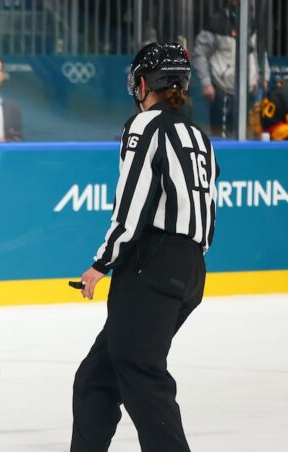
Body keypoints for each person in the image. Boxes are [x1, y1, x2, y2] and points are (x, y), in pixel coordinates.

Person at [71, 42, 218, 452]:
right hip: (188, 270)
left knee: (140, 372)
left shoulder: (145, 126)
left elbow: (132, 203)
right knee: (97, 377)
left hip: (150, 266)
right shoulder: (199, 138)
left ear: (141, 83)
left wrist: (102, 262)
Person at [191, 0, 270, 138]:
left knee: (248, 136)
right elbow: (199, 54)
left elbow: (259, 52)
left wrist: (264, 75)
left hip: (249, 92)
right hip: (223, 91)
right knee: (221, 137)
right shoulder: (217, 22)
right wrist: (206, 83)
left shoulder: (252, 22)